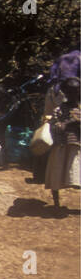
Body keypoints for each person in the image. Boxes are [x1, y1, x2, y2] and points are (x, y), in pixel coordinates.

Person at [44, 77, 81, 211]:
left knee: (76, 174)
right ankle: (56, 203)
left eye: (76, 92)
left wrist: (73, 123)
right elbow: (54, 126)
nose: (73, 95)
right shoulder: (59, 110)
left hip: (76, 146)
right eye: (70, 92)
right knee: (56, 174)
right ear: (65, 93)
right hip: (60, 146)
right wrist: (65, 124)